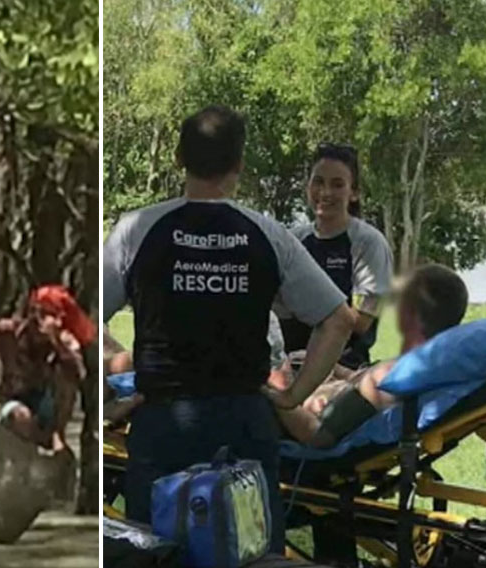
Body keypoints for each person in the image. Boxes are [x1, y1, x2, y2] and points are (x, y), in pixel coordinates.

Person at [102, 105, 355, 554]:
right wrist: (292, 397)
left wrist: (106, 401)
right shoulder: (267, 235)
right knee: (250, 552)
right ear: (239, 164)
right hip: (244, 424)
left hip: (163, 424)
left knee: (154, 558)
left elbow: (78, 321)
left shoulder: (136, 230)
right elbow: (338, 319)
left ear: (178, 158)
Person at [275, 264, 469, 447]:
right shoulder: (421, 365)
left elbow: (317, 435)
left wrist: (276, 381)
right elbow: (360, 384)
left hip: (290, 425)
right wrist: (330, 366)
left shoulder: (391, 376)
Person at [278, 143, 394, 370]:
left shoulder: (368, 243)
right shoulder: (291, 240)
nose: (325, 192)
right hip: (288, 365)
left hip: (343, 369)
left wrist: (300, 303)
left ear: (354, 193)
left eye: (337, 184)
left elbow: (360, 322)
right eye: (318, 182)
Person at [0, 284, 94, 455]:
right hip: (14, 402)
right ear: (37, 315)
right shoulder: (9, 332)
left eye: (59, 317)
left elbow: (79, 374)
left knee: (66, 378)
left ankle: (55, 437)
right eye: (51, 315)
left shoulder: (62, 343)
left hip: (46, 408)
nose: (57, 322)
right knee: (20, 417)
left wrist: (59, 346)